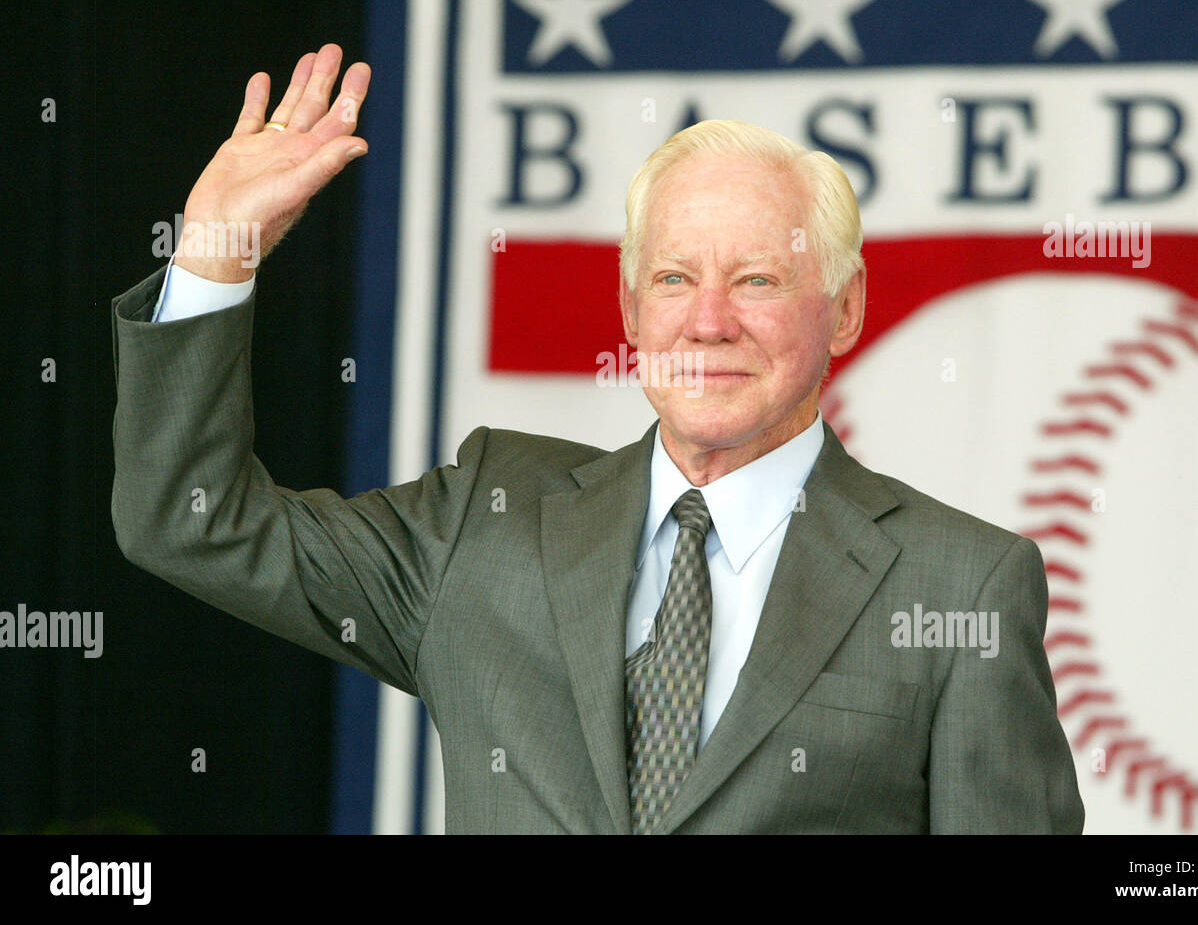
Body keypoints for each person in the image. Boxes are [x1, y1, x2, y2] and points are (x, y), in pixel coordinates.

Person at [112, 44, 1084, 834]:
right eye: (672, 280)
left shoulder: (960, 585)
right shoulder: (483, 522)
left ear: (843, 308)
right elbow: (192, 525)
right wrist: (215, 252)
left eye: (755, 280)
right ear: (628, 307)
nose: (708, 322)